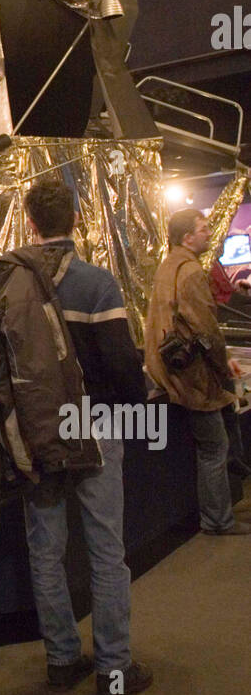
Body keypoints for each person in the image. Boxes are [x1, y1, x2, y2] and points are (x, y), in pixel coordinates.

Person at [0, 178, 153, 695]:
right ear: (75, 221)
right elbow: (119, 361)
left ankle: (63, 659)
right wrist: (136, 410)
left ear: (31, 224)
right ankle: (115, 669)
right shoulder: (96, 283)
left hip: (38, 431)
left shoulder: (5, 282)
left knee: (45, 549)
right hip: (96, 428)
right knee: (105, 551)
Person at [144, 209, 249, 536]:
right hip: (193, 377)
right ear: (187, 237)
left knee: (217, 441)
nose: (208, 233)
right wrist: (223, 367)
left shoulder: (168, 266)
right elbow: (206, 330)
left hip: (172, 370)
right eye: (203, 229)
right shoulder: (190, 273)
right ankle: (218, 520)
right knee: (214, 448)